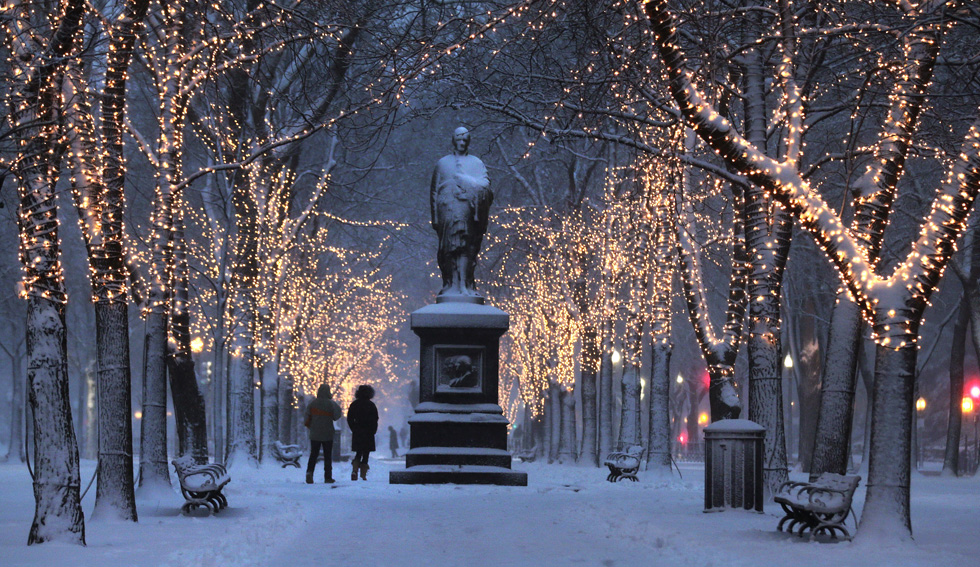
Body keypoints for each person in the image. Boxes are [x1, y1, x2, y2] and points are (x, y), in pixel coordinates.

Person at [430, 126, 493, 299]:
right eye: (459, 139)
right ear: (453, 140)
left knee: (465, 246)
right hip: (447, 211)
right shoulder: (442, 164)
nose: (462, 143)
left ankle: (465, 284)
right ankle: (451, 283)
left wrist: (467, 182)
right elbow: (434, 192)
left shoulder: (476, 163)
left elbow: (485, 186)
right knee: (448, 248)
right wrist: (435, 217)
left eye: (465, 140)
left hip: (467, 211)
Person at [303, 384, 342, 484]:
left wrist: (311, 426)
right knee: (327, 455)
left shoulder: (312, 403)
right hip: (327, 433)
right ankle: (328, 477)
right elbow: (337, 415)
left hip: (315, 433)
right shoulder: (331, 404)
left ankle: (309, 473)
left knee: (313, 454)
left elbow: (306, 418)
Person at [347, 385, 379, 480]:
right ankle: (363, 474)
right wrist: (373, 430)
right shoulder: (371, 405)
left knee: (358, 452)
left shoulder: (354, 404)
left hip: (358, 431)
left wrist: (354, 428)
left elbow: (349, 418)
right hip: (368, 432)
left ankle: (354, 469)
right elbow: (375, 419)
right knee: (366, 453)